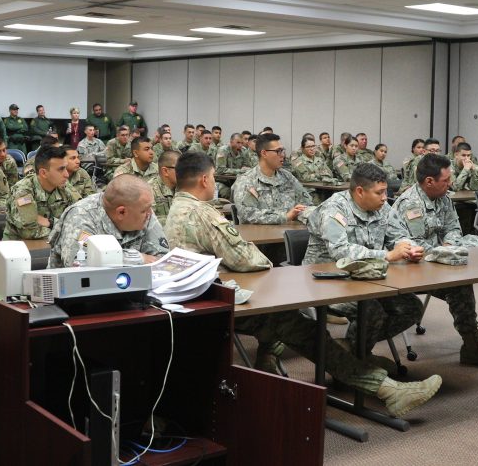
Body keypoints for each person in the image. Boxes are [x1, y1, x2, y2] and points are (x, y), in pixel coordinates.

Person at [163, 152, 441, 417]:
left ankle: (271, 377)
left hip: (203, 301)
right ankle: (386, 389)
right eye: (213, 177)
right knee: (307, 332)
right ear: (204, 180)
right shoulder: (203, 213)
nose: (214, 182)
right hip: (221, 304)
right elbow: (248, 259)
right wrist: (260, 261)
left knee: (291, 319)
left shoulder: (177, 209)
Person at [387, 153, 478, 368]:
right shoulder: (409, 204)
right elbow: (410, 246)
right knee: (459, 286)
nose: (450, 183)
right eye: (446, 180)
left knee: (466, 266)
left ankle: (471, 345)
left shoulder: (443, 198)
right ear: (429, 182)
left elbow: (453, 228)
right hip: (412, 269)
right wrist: (441, 252)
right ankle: (473, 346)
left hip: (438, 263)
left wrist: (450, 246)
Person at [304, 163, 424, 352]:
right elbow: (340, 251)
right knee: (370, 311)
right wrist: (387, 255)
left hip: (367, 277)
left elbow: (398, 234)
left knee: (412, 307)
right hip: (329, 280)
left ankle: (351, 352)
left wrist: (409, 248)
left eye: (386, 192)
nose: (385, 198)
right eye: (380, 192)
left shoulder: (382, 207)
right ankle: (353, 360)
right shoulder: (334, 209)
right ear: (360, 191)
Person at [48, 175, 169, 268]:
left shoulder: (142, 210)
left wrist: (108, 259)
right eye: (145, 211)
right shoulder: (81, 216)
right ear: (121, 212)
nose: (150, 214)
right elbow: (79, 264)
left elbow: (161, 259)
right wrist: (138, 258)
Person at [4, 146, 80, 240]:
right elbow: (30, 232)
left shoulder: (64, 186)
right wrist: (66, 229)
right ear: (43, 173)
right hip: (21, 249)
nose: (66, 174)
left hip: (52, 247)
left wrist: (50, 222)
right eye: (61, 169)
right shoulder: (23, 191)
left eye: (65, 168)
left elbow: (81, 219)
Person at [233, 134, 312, 224]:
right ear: (264, 153)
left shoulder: (287, 177)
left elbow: (307, 203)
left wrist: (299, 212)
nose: (283, 155)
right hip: (260, 236)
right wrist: (284, 217)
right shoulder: (247, 181)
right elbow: (248, 214)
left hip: (289, 231)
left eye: (282, 150)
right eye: (278, 151)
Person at [148, 150, 179, 224]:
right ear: (165, 171)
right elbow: (148, 222)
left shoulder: (184, 187)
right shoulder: (148, 191)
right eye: (180, 168)